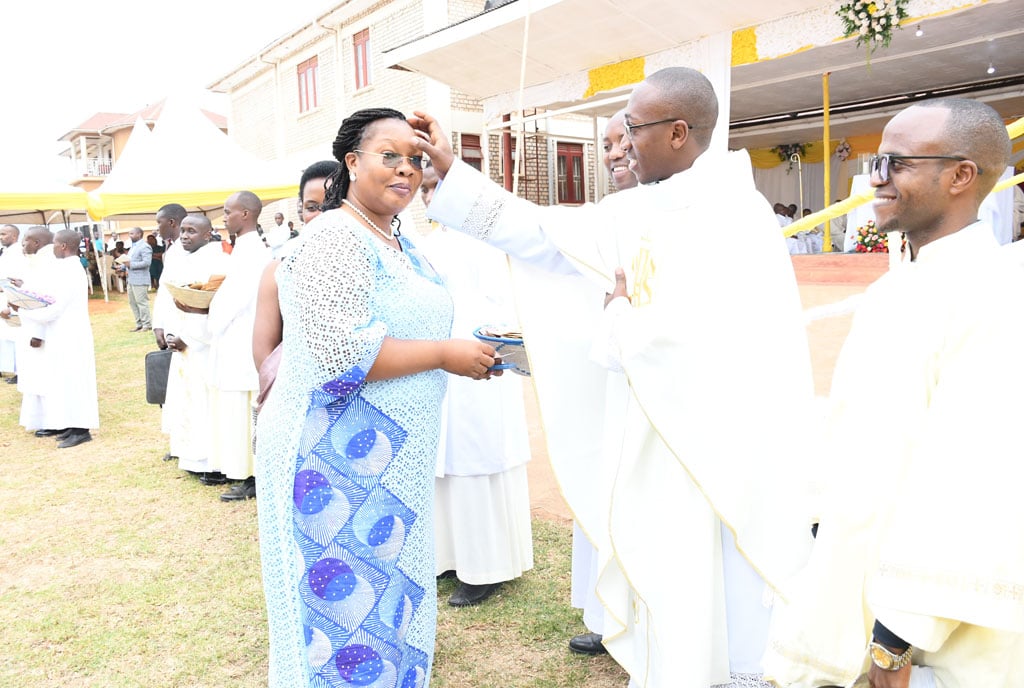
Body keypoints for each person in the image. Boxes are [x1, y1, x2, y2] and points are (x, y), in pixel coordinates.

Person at [412, 66, 815, 688]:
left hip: (717, 444)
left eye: (632, 127)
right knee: (668, 573)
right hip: (653, 429)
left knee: (717, 578)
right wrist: (453, 175)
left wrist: (621, 317)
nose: (621, 143)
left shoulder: (735, 214)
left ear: (678, 133)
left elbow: (709, 340)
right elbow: (545, 235)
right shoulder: (639, 208)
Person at [764, 99, 1024, 688]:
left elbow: (970, 478)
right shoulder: (897, 287)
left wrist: (897, 638)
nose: (874, 177)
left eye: (897, 163)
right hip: (859, 574)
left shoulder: (998, 295)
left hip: (935, 620)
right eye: (876, 161)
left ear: (962, 175)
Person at [254, 108, 498, 687]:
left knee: (389, 617)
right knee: (340, 625)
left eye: (415, 160)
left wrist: (444, 158)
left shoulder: (394, 236)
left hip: (387, 467)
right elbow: (342, 354)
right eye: (389, 156)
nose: (406, 170)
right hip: (333, 469)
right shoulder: (335, 237)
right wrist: (443, 354)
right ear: (352, 162)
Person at [417, 163, 534, 607]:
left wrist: (484, 342)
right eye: (425, 191)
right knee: (443, 463)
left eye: (437, 189)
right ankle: (449, 558)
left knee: (477, 460)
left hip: (481, 364)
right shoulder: (421, 244)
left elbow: (505, 305)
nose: (429, 198)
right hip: (438, 362)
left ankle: (486, 567)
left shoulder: (487, 241)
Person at [568, 109, 636, 657]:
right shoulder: (604, 215)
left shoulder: (706, 211)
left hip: (664, 393)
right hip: (612, 384)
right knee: (606, 492)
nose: (613, 153)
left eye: (624, 139)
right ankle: (608, 616)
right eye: (606, 144)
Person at [252, 159, 340, 397]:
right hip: (299, 400)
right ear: (301, 211)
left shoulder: (376, 264)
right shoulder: (279, 269)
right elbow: (264, 356)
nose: (322, 215)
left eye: (333, 205)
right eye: (312, 207)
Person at [8, 229, 99, 448]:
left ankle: (81, 429)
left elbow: (54, 309)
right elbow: (48, 297)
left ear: (64, 247)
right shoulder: (64, 267)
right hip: (60, 333)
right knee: (63, 381)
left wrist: (22, 310)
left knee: (75, 382)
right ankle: (70, 425)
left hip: (70, 334)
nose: (53, 249)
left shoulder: (71, 270)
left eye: (55, 245)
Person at [206, 190, 271, 500]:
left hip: (242, 338)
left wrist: (209, 321)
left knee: (246, 412)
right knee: (236, 411)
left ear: (245, 214)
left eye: (228, 211)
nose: (224, 217)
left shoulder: (253, 250)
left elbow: (235, 299)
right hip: (234, 337)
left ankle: (254, 476)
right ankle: (241, 471)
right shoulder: (242, 248)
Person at [161, 214, 231, 476]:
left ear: (207, 234)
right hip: (181, 342)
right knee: (185, 402)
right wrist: (170, 332)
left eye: (192, 231)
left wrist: (189, 337)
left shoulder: (219, 261)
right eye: (183, 231)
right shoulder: (181, 258)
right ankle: (190, 456)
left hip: (204, 344)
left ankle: (210, 462)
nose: (185, 236)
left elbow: (215, 306)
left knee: (205, 403)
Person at [152, 203, 189, 354]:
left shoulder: (189, 251)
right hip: (171, 323)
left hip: (184, 327)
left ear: (172, 222)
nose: (157, 228)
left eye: (159, 222)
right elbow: (165, 289)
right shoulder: (173, 250)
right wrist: (158, 324)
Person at [0, 224, 26, 382]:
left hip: (11, 299)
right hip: (4, 297)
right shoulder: (6, 252)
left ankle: (19, 372)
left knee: (15, 336)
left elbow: (17, 279)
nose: (1, 237)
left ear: (14, 236)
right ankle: (6, 367)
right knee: (4, 336)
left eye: (4, 234)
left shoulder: (18, 254)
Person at [124, 227, 152, 332]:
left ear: (139, 234)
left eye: (132, 233)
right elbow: (130, 262)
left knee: (141, 302)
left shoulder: (145, 246)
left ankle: (147, 324)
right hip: (131, 279)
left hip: (140, 279)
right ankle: (139, 323)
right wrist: (123, 266)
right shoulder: (132, 247)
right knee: (132, 302)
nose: (130, 236)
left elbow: (146, 262)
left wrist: (130, 264)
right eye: (129, 233)